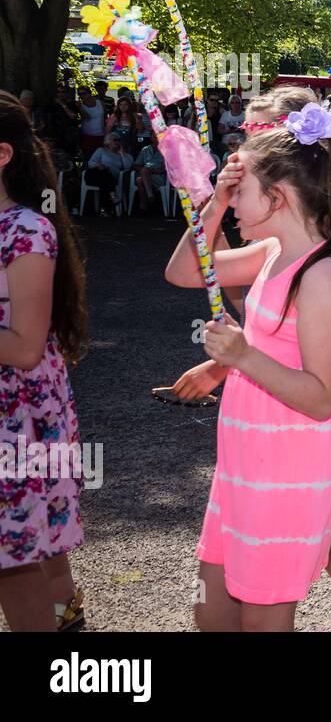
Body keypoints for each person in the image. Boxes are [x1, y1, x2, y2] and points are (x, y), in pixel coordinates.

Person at [164, 103, 331, 631]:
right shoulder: (274, 249)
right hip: (244, 460)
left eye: (241, 190)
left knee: (262, 620)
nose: (234, 203)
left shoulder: (325, 275)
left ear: (277, 197)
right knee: (212, 616)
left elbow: (322, 397)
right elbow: (185, 269)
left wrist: (240, 357)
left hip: (289, 465)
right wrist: (213, 202)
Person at [0, 92, 88, 632]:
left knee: (13, 562)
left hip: (19, 420)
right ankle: (67, 614)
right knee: (36, 540)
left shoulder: (27, 231)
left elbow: (26, 346)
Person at [83, 131, 134, 211]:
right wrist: (98, 165)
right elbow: (90, 163)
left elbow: (127, 166)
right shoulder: (101, 151)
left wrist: (121, 153)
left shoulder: (125, 156)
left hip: (111, 178)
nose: (117, 142)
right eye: (115, 140)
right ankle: (111, 198)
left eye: (119, 140)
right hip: (94, 175)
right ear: (108, 142)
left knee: (106, 177)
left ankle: (104, 207)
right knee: (104, 174)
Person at [79, 84, 107, 158]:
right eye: (80, 94)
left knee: (100, 157)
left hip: (100, 134)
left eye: (84, 93)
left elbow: (105, 117)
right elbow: (86, 117)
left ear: (89, 93)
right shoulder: (80, 105)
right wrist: (80, 107)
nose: (82, 96)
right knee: (88, 157)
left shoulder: (100, 103)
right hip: (87, 135)